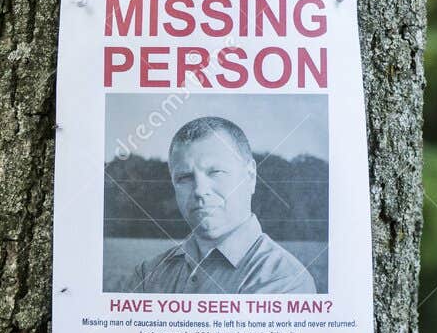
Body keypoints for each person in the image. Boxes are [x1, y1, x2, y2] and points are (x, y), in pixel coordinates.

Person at [125, 115, 316, 294]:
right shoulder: (147, 273)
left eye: (215, 172)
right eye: (184, 177)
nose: (199, 190)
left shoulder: (285, 280)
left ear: (250, 176)